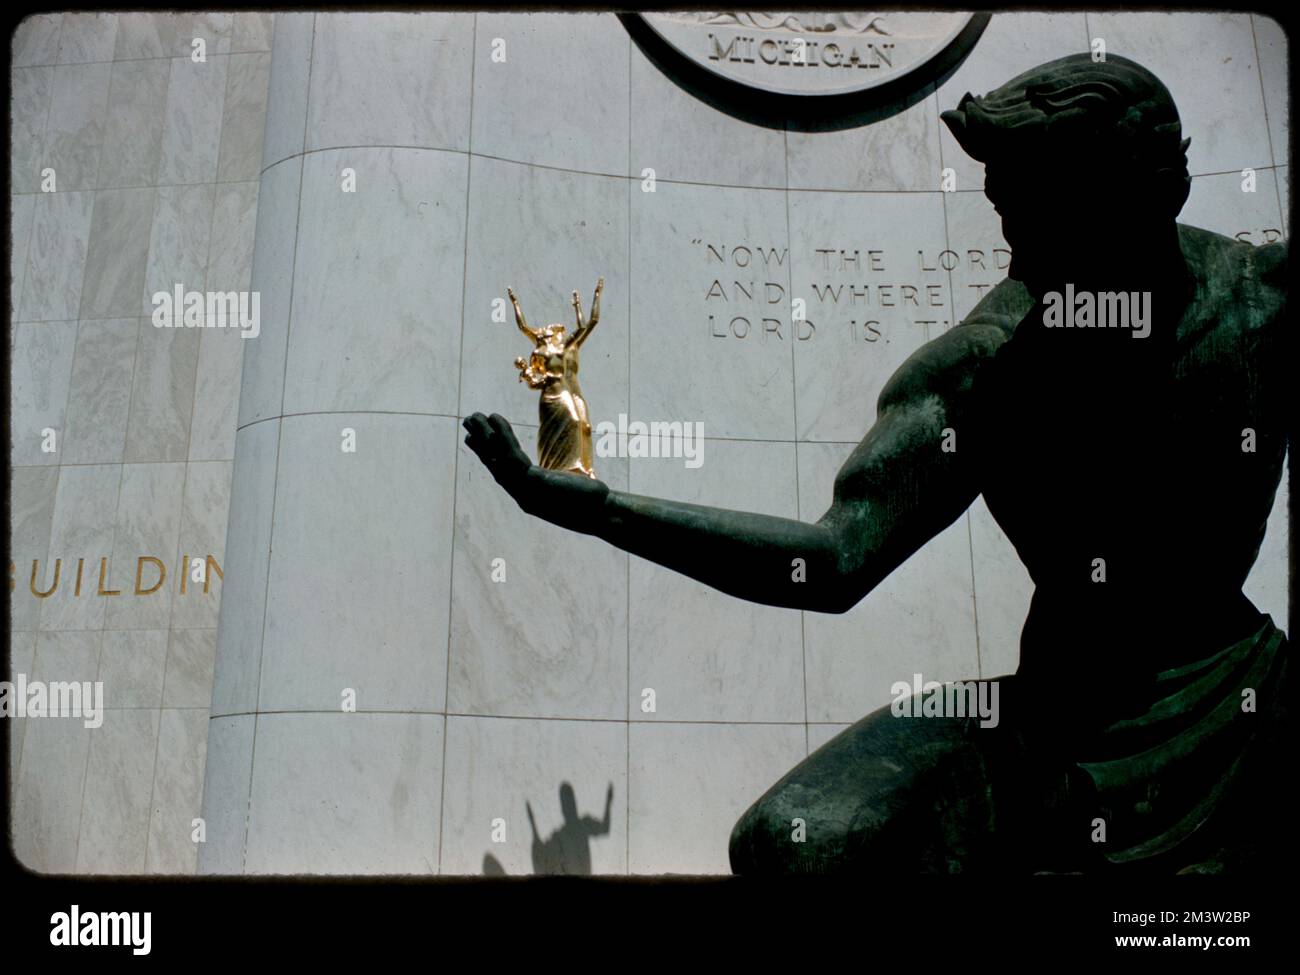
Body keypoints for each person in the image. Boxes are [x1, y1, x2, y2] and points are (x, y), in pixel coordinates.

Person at [464, 53, 1289, 874]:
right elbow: (830, 562)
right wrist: (602, 511)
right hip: (1055, 719)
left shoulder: (1264, 307)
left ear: (1145, 196)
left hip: (1246, 695)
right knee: (794, 839)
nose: (1013, 244)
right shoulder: (982, 371)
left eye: (1040, 214)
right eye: (1004, 209)